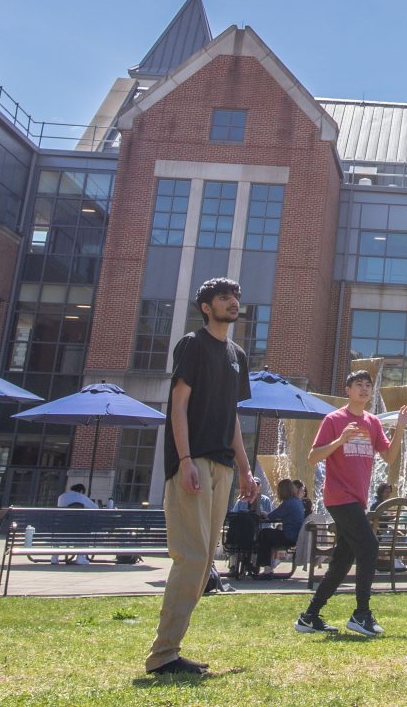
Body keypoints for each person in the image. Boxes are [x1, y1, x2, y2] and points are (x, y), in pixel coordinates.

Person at [144, 277, 259, 678]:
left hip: (224, 467)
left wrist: (246, 469)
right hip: (192, 464)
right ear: (207, 307)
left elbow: (231, 420)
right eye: (224, 298)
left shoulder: (237, 355)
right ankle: (163, 656)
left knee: (206, 559)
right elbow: (178, 405)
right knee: (192, 557)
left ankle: (169, 651)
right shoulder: (193, 344)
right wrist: (186, 458)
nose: (233, 303)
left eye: (235, 298)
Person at [296, 371, 407, 638]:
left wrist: (401, 428)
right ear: (348, 390)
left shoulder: (373, 423)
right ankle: (361, 614)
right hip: (338, 497)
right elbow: (313, 457)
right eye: (358, 385)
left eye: (368, 385)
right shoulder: (334, 420)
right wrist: (340, 441)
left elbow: (389, 457)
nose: (363, 389)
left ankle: (309, 616)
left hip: (356, 501)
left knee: (342, 560)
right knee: (369, 545)